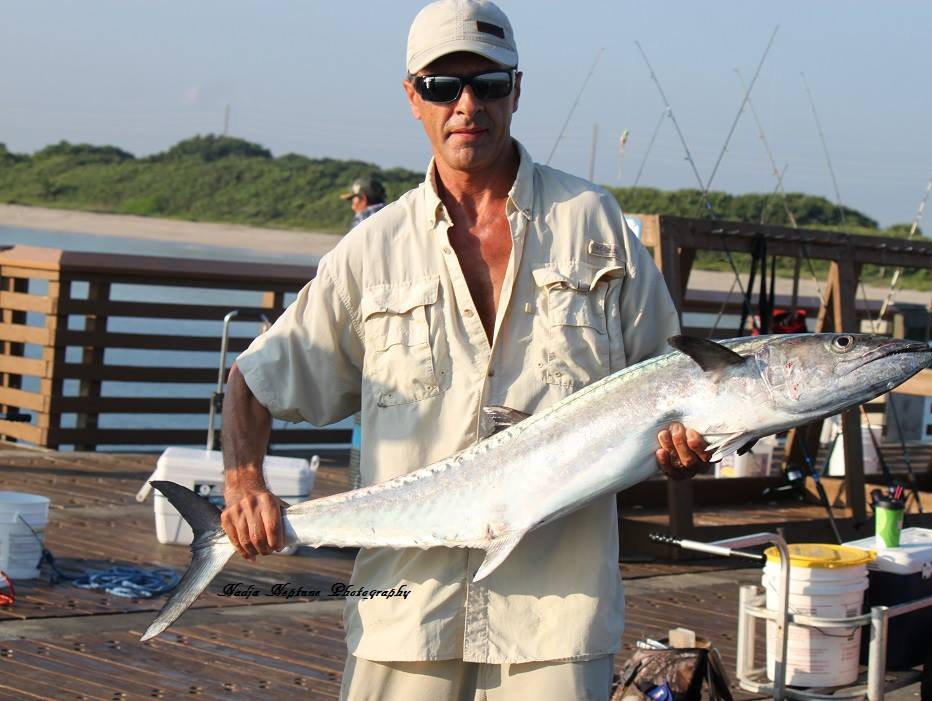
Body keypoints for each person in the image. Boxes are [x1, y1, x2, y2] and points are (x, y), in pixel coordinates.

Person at [221, 1, 710, 698]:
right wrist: (243, 484)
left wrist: (690, 450)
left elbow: (678, 386)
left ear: (518, 88)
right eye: (443, 86)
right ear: (412, 96)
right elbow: (255, 377)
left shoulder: (594, 224)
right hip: (403, 615)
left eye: (488, 83)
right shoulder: (372, 248)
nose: (467, 105)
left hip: (558, 624)